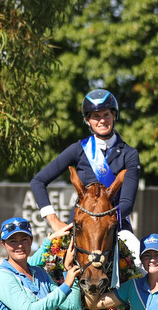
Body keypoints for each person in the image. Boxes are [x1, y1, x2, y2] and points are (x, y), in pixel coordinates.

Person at [30, 89, 140, 233]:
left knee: (136, 247)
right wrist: (53, 220)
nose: (102, 120)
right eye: (96, 116)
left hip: (115, 225)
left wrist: (100, 221)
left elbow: (127, 203)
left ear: (114, 115)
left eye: (106, 114)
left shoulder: (129, 154)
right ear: (88, 120)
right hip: (80, 226)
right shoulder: (78, 149)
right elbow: (38, 181)